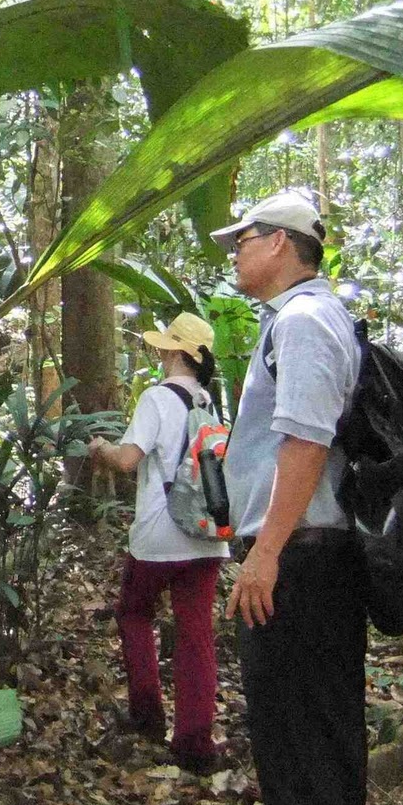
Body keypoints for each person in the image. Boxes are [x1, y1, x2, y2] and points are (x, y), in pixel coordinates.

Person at [211, 190, 363, 805]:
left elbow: (309, 439)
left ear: (278, 243)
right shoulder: (302, 320)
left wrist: (265, 552)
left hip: (298, 554)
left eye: (242, 239)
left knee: (297, 718)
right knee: (305, 715)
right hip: (301, 549)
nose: (234, 252)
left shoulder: (303, 321)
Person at [88, 311, 228, 774]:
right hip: (207, 536)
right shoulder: (211, 400)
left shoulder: (156, 398)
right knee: (195, 636)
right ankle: (194, 743)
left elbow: (127, 461)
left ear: (175, 353)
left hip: (159, 535)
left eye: (165, 347)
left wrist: (100, 449)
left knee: (133, 612)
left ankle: (146, 715)